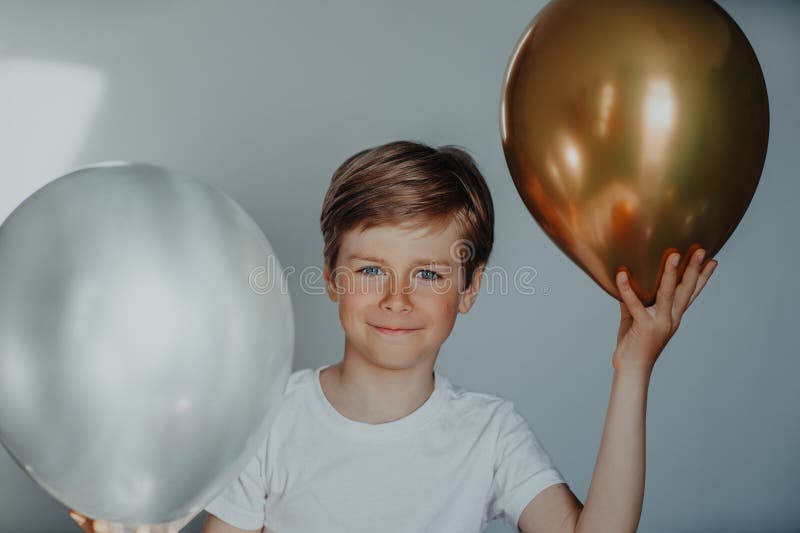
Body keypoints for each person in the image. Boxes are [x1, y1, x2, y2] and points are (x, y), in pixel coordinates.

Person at [73, 141, 717, 533]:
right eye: (372, 268)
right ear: (331, 277)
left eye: (430, 273)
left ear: (469, 289)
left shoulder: (490, 435)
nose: (397, 298)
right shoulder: (270, 422)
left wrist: (633, 367)